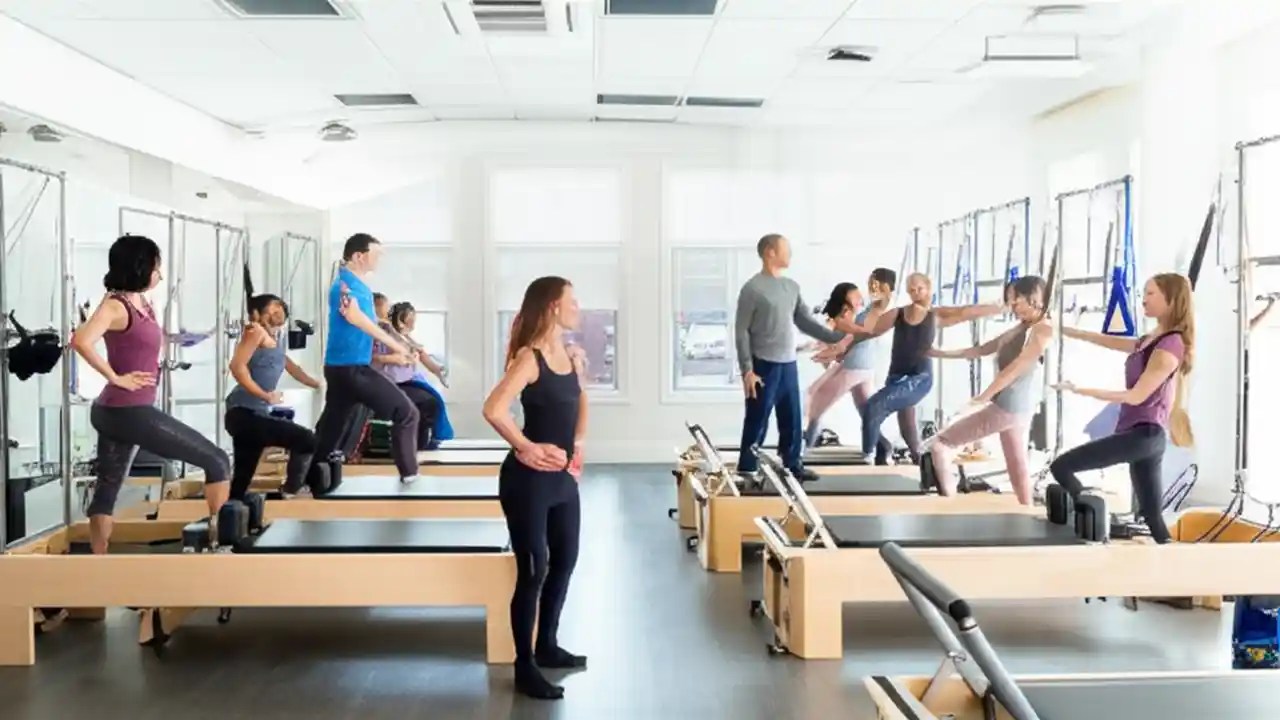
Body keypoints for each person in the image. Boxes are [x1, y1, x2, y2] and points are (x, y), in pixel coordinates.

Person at [70, 234, 231, 554]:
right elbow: (81, 341)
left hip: (122, 410)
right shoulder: (115, 305)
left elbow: (140, 344)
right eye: (157, 267)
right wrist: (116, 377)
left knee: (107, 490)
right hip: (125, 410)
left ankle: (94, 568)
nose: (160, 274)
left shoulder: (143, 302)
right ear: (141, 267)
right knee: (217, 461)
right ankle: (218, 546)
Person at [482, 276, 588, 701]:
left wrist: (577, 446)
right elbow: (493, 408)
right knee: (533, 569)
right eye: (572, 301)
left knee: (565, 559)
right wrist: (525, 446)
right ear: (552, 307)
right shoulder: (530, 358)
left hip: (562, 479)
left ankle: (547, 644)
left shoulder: (569, 354)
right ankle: (524, 665)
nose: (578, 307)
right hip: (527, 482)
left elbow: (580, 401)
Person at [1050, 273, 1195, 545]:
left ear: (1171, 299)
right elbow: (1108, 341)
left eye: (1150, 294)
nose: (1144, 300)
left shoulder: (1170, 346)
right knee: (1153, 517)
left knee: (1062, 466)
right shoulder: (1151, 339)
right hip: (1146, 438)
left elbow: (1136, 396)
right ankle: (1176, 569)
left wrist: (1078, 389)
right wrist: (1063, 330)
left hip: (1143, 436)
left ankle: (1095, 520)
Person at [923, 275, 1053, 505]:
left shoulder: (1042, 330)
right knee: (1016, 463)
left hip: (1008, 408)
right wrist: (939, 353)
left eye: (1016, 300)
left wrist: (984, 397)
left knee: (941, 445)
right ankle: (1027, 510)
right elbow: (981, 350)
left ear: (1032, 298)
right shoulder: (1020, 328)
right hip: (1015, 409)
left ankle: (947, 508)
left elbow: (1015, 369)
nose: (1012, 306)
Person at [735, 233, 851, 481]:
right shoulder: (752, 289)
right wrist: (747, 370)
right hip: (762, 365)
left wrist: (836, 336)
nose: (790, 254)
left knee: (792, 417)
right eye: (785, 249)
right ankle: (747, 468)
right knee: (757, 419)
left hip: (788, 363)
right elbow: (741, 331)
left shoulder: (791, 287)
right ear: (770, 252)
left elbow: (806, 321)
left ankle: (792, 464)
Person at [855, 272, 1005, 465]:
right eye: (911, 290)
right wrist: (840, 345)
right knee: (906, 425)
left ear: (929, 289)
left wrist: (999, 308)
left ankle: (867, 455)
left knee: (874, 406)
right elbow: (870, 331)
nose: (916, 293)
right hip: (897, 375)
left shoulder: (935, 315)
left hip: (920, 377)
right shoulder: (898, 313)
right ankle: (920, 459)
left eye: (920, 289)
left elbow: (967, 311)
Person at [309, 233, 420, 485]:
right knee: (406, 413)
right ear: (359, 256)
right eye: (376, 253)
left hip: (343, 368)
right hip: (351, 368)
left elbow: (370, 320)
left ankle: (304, 479)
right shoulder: (343, 285)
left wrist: (403, 344)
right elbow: (356, 318)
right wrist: (397, 347)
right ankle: (411, 476)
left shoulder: (357, 285)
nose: (379, 258)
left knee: (332, 428)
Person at [225, 289, 322, 499]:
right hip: (243, 413)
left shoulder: (275, 340)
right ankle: (290, 491)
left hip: (255, 414)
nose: (278, 311)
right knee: (307, 440)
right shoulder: (255, 331)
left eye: (280, 306)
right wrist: (265, 395)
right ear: (257, 314)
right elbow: (236, 366)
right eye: (272, 307)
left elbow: (290, 366)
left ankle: (234, 508)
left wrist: (318, 384)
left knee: (241, 480)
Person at [805, 269, 899, 461]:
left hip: (856, 367)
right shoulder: (870, 309)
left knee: (817, 400)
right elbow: (852, 335)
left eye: (875, 283)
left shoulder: (880, 308)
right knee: (866, 411)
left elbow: (859, 333)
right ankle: (883, 446)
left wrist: (838, 345)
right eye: (870, 282)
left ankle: (802, 449)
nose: (870, 287)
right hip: (861, 366)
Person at [372, 301, 450, 450]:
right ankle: (415, 444)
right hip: (389, 382)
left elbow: (420, 354)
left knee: (433, 401)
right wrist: (393, 358)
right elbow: (373, 357)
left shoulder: (403, 337)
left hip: (408, 380)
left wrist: (437, 370)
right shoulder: (379, 336)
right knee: (424, 403)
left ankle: (425, 441)